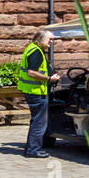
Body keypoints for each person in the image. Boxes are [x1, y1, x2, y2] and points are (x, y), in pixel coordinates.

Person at [17, 29, 61, 158]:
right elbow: (32, 72)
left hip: (33, 91)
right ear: (41, 39)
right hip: (36, 92)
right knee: (39, 122)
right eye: (50, 39)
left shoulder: (33, 49)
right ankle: (33, 150)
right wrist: (49, 79)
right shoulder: (36, 52)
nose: (52, 42)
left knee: (37, 120)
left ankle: (32, 147)